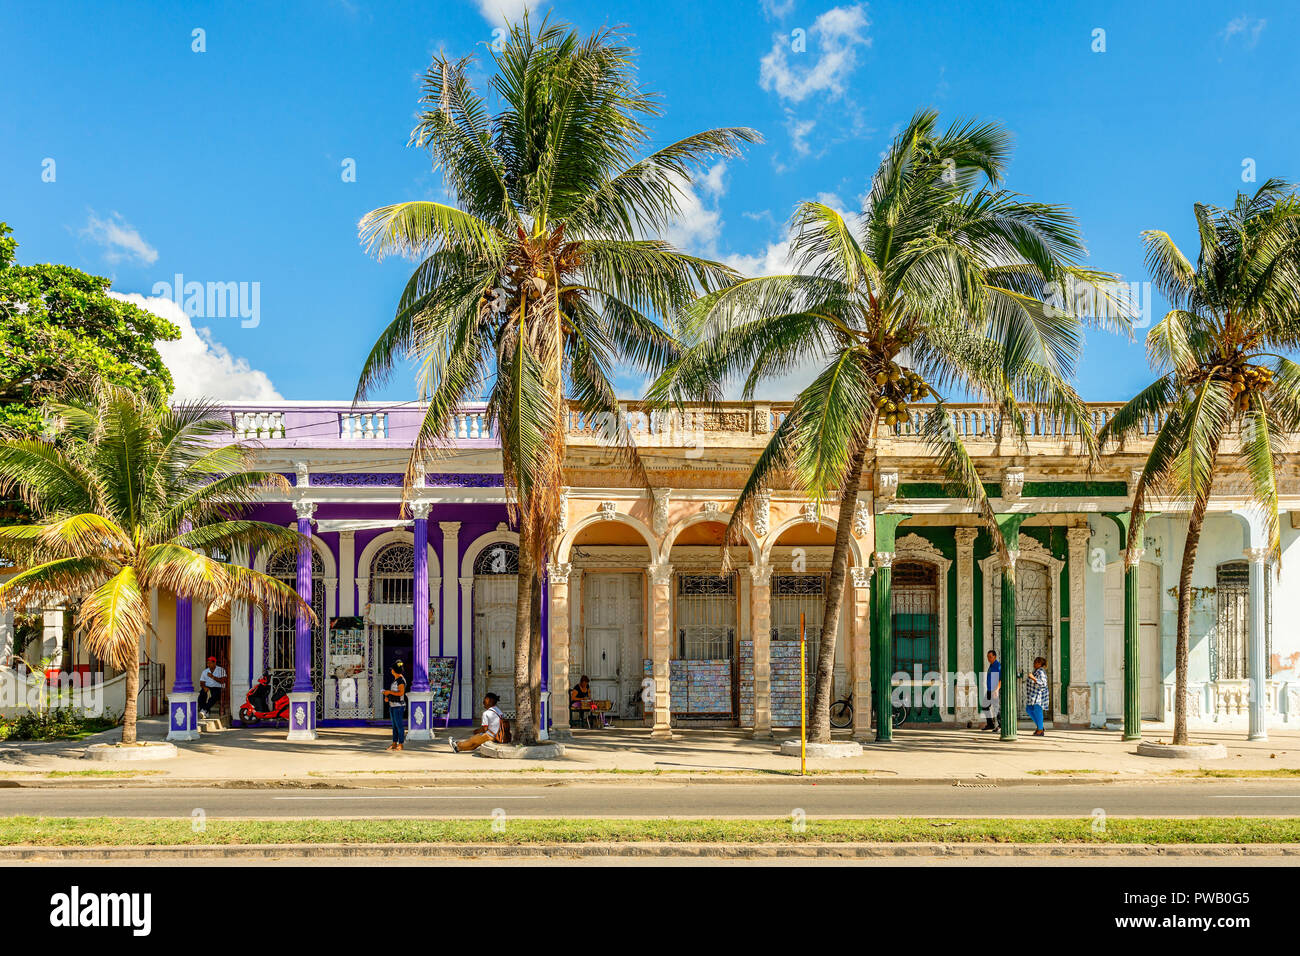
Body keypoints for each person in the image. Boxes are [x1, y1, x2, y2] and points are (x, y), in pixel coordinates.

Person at [383, 660, 407, 751]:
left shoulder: (400, 680)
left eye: (392, 669)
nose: (391, 671)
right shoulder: (396, 680)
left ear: (395, 670)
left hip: (398, 706)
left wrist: (389, 692)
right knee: (394, 726)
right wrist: (388, 697)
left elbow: (401, 693)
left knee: (399, 726)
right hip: (393, 705)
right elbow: (395, 693)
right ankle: (394, 743)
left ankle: (400, 744)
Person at [1026, 656, 1049, 736]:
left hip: (1038, 695)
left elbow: (1043, 683)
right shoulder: (1037, 671)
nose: (1034, 664)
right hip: (1033, 695)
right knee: (1028, 709)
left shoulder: (1040, 672)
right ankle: (1040, 727)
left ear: (1040, 664)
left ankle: (1040, 730)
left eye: (1036, 662)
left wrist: (1033, 678)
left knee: (1038, 711)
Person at [983, 649, 1001, 732]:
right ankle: (990, 724)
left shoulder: (998, 666)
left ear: (995, 656)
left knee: (996, 708)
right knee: (985, 706)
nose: (989, 659)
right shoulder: (991, 665)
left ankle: (1001, 725)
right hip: (989, 690)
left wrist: (997, 690)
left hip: (994, 690)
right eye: (988, 657)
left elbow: (1001, 679)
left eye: (990, 657)